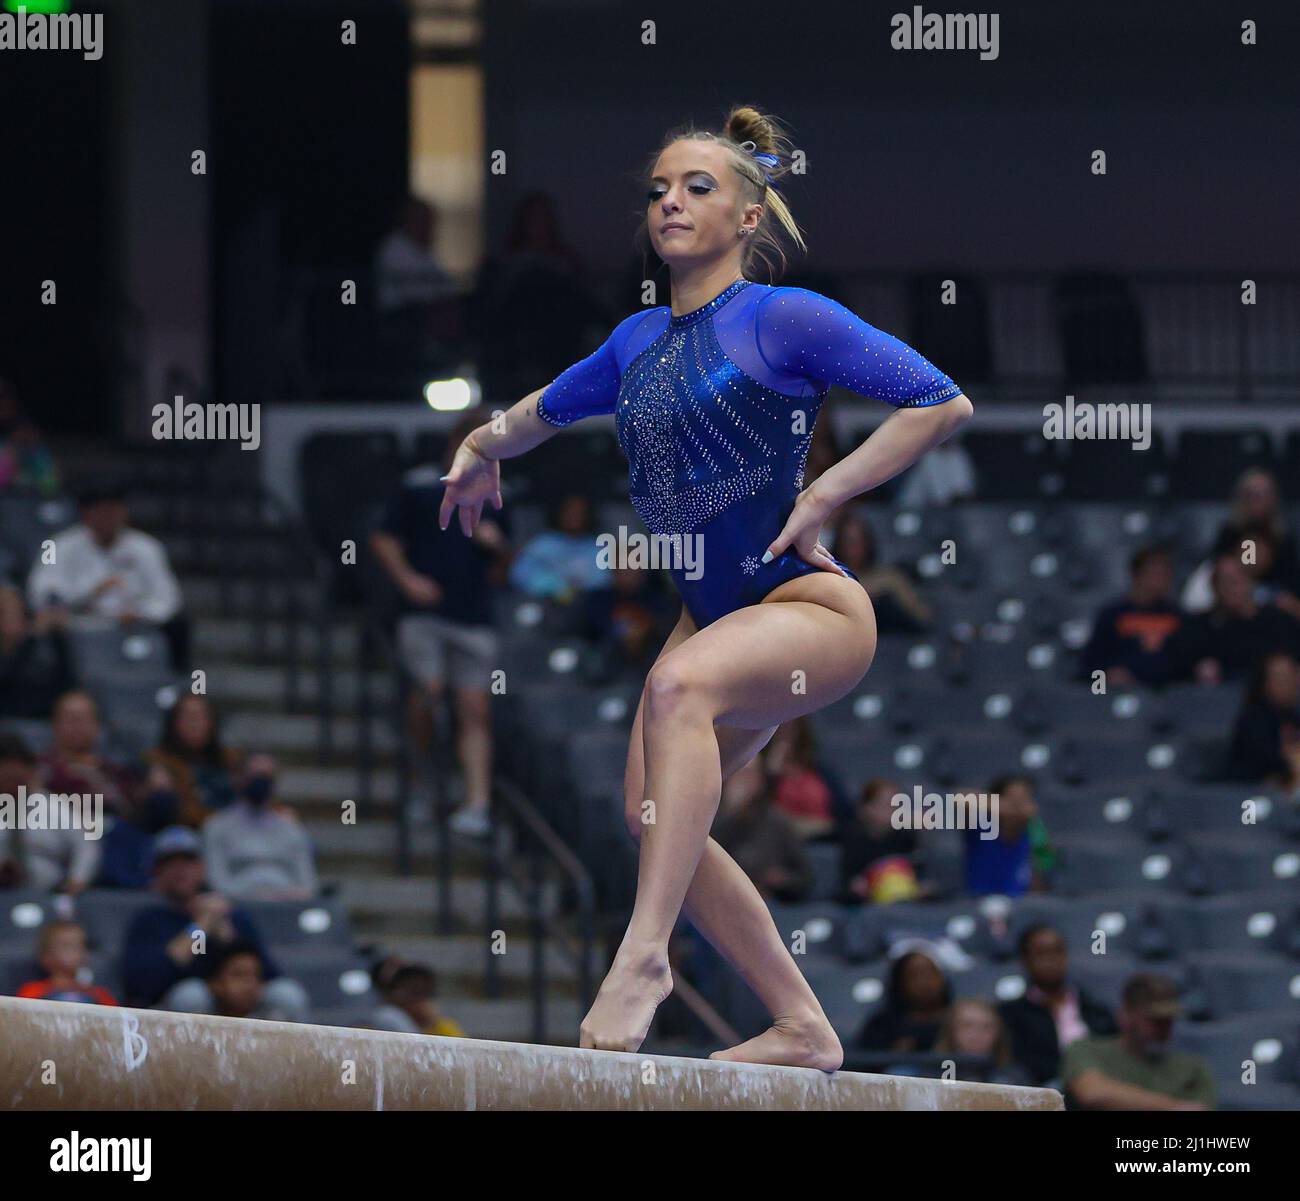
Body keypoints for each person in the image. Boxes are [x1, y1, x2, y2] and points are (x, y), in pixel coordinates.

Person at [438, 105, 972, 1067]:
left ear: (749, 218)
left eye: (698, 187)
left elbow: (939, 399)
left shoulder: (784, 317)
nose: (671, 203)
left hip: (806, 609)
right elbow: (534, 415)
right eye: (657, 190)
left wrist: (824, 493)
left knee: (675, 689)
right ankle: (803, 1024)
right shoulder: (635, 342)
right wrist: (479, 446)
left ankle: (644, 956)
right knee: (651, 816)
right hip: (710, 616)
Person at [369, 416, 511, 838]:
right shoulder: (419, 485)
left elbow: (505, 569)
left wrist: (498, 547)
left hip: (475, 616)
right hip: (424, 615)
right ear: (457, 439)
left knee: (475, 711)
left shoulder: (499, 491)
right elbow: (383, 538)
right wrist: (407, 579)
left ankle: (477, 804)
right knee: (427, 697)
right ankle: (419, 788)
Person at [121, 826, 309, 1020]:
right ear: (157, 872)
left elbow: (266, 972)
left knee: (287, 995)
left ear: (201, 868)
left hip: (237, 1003)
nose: (180, 871)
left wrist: (224, 932)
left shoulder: (232, 916)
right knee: (192, 996)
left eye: (188, 862)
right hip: (174, 1008)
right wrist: (201, 925)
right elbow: (144, 985)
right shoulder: (149, 921)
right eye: (170, 864)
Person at [26, 477, 188, 670]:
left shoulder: (147, 547)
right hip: (78, 623)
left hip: (131, 624)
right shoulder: (58, 545)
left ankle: (177, 685)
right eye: (103, 511)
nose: (110, 517)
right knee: (45, 628)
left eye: (115, 510)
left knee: (181, 624)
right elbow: (42, 590)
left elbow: (168, 597)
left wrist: (141, 614)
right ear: (86, 513)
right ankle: (65, 692)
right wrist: (91, 592)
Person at [1061, 973, 1216, 1110]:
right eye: (1154, 1020)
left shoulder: (1193, 1068)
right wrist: (1175, 1107)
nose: (1164, 1028)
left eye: (1169, 1020)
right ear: (1124, 1016)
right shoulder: (1086, 1050)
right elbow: (1093, 1093)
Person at [998, 925, 1117, 1086]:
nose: (1051, 960)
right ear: (1024, 961)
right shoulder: (1010, 1016)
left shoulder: (1097, 1012)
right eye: (1041, 953)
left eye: (1057, 951)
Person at [1168, 551, 1300, 685]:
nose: (1229, 588)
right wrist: (1197, 668)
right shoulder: (1199, 626)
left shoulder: (1278, 621)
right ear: (1214, 588)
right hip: (1218, 698)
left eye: (1234, 581)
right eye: (1222, 582)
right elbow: (1178, 666)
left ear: (1250, 581)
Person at [202, 754, 319, 901]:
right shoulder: (216, 827)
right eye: (255, 775)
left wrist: (285, 896)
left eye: (266, 776)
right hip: (236, 909)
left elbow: (307, 883)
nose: (261, 781)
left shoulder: (292, 829)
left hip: (287, 908)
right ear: (238, 778)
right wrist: (256, 896)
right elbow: (216, 882)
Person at [1080, 545, 1185, 688]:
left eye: (1165, 574)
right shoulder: (1112, 615)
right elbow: (1090, 667)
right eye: (1154, 574)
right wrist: (1107, 676)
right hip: (1118, 696)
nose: (1160, 580)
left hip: (1167, 697)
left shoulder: (1178, 617)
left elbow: (1186, 667)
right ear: (1136, 574)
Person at [710, 756, 811, 902]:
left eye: (749, 774)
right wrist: (731, 811)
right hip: (721, 901)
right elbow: (704, 860)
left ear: (761, 779)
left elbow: (805, 879)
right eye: (737, 772)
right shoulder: (713, 818)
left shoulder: (777, 822)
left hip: (770, 901)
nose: (742, 781)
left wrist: (782, 880)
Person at [829, 508, 933, 635]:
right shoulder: (827, 578)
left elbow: (923, 616)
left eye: (860, 541)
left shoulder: (890, 579)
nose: (855, 548)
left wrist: (892, 587)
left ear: (868, 543)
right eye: (849, 541)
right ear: (839, 543)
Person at [145, 694, 241, 827]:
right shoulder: (157, 762)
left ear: (212, 722)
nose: (194, 724)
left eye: (200, 717)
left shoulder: (231, 760)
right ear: (173, 722)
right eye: (188, 717)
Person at [839, 776, 927, 905]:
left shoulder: (907, 837)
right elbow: (849, 885)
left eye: (898, 805)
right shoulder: (854, 838)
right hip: (866, 906)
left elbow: (919, 874)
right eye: (887, 805)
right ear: (868, 808)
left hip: (906, 902)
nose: (894, 811)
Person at [965, 773, 1054, 897]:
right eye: (1013, 800)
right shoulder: (982, 829)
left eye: (1026, 799)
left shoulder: (1033, 835)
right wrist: (1008, 809)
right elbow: (962, 798)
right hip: (981, 901)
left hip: (1019, 906)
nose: (1022, 807)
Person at [856, 947, 952, 1055]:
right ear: (899, 982)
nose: (925, 982)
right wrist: (895, 1053)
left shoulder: (960, 1020)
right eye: (915, 975)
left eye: (931, 973)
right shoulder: (881, 1026)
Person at [1226, 652, 1300, 790]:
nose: (1290, 684)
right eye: (1282, 678)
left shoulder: (1294, 718)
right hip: (1248, 797)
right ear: (1265, 683)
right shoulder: (1252, 722)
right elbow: (1262, 766)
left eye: (1293, 676)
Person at [0, 582, 74, 720]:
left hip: (44, 722)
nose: (14, 620)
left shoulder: (41, 648)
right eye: (6, 614)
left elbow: (67, 684)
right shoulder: (29, 644)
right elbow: (7, 682)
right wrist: (32, 638)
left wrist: (58, 636)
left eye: (19, 613)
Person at [16, 920, 117, 1006]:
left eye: (79, 945)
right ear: (46, 956)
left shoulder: (98, 995)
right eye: (66, 946)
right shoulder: (32, 992)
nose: (75, 951)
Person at [934, 998, 1031, 1085]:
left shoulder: (1015, 1078)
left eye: (987, 1027)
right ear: (951, 1030)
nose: (977, 1034)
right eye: (967, 1025)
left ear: (999, 1034)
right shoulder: (931, 1074)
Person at [368, 958, 467, 1037]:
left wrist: (433, 1022)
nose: (420, 1001)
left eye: (424, 993)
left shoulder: (439, 1023)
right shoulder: (388, 1016)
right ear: (395, 993)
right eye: (414, 992)